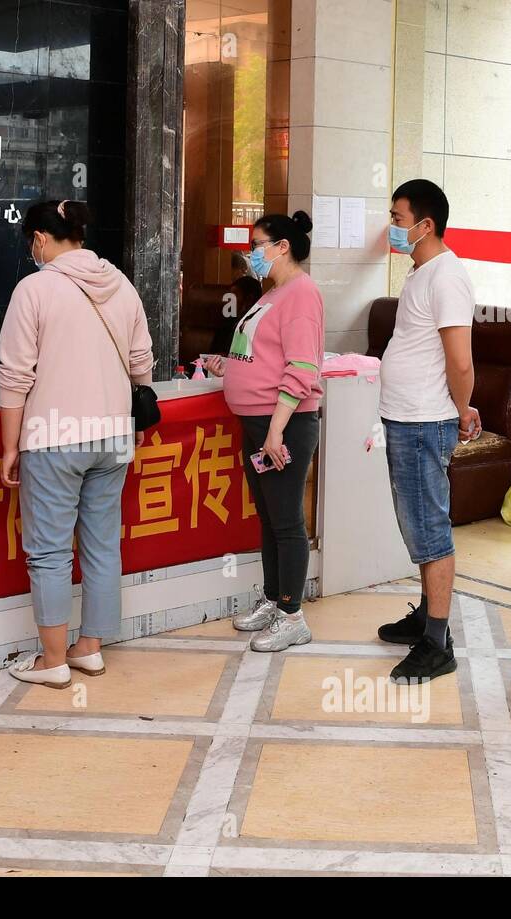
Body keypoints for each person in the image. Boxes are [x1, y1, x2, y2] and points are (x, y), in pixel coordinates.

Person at [0, 199, 153, 687]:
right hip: (114, 436)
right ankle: (89, 648)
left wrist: (9, 445)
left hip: (54, 436)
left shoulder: (35, 288)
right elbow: (141, 362)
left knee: (49, 551)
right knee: (104, 544)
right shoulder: (121, 284)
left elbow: (15, 375)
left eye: (32, 243)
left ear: (41, 239)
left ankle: (52, 661)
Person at [375, 180, 480, 684]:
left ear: (425, 225)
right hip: (405, 418)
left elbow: (460, 360)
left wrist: (463, 409)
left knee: (430, 529)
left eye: (397, 218)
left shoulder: (446, 277)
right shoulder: (420, 272)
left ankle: (437, 643)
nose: (391, 227)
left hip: (424, 421)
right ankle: (426, 614)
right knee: (416, 526)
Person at [203, 211, 323, 651]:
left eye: (257, 244)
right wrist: (228, 363)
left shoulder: (302, 294)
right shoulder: (273, 293)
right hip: (258, 422)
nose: (252, 253)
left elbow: (302, 367)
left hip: (283, 425)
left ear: (282, 247)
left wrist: (276, 431)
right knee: (269, 517)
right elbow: (263, 353)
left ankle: (293, 616)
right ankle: (275, 599)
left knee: (287, 519)